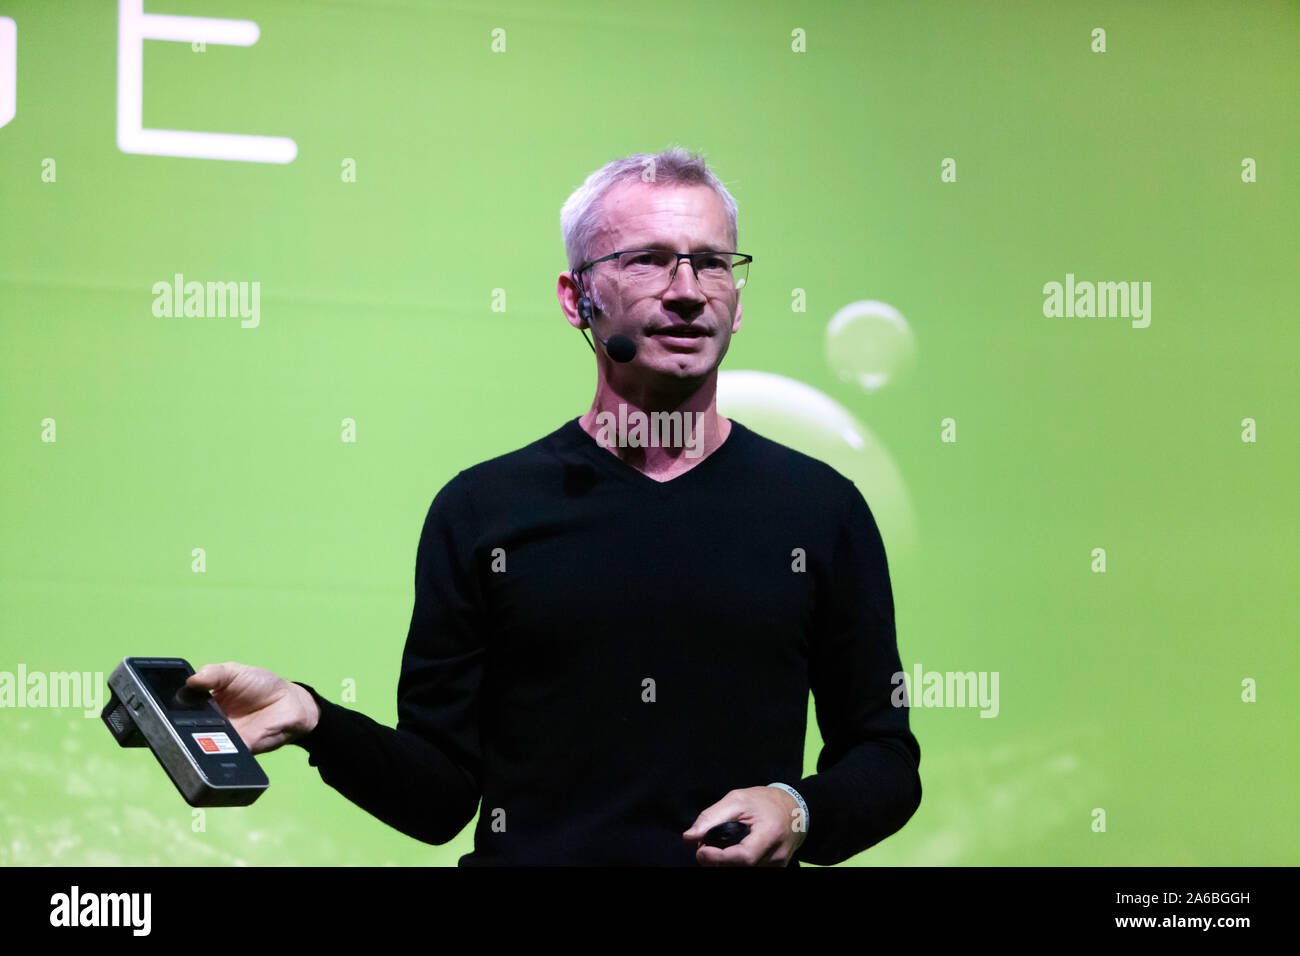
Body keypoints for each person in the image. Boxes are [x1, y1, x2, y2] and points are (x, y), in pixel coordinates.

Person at [188, 147, 922, 866]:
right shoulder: (483, 511)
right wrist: (313, 718)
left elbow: (884, 758)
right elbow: (439, 798)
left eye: (711, 263)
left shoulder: (820, 510)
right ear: (578, 298)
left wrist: (795, 808)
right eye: (647, 260)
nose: (689, 289)